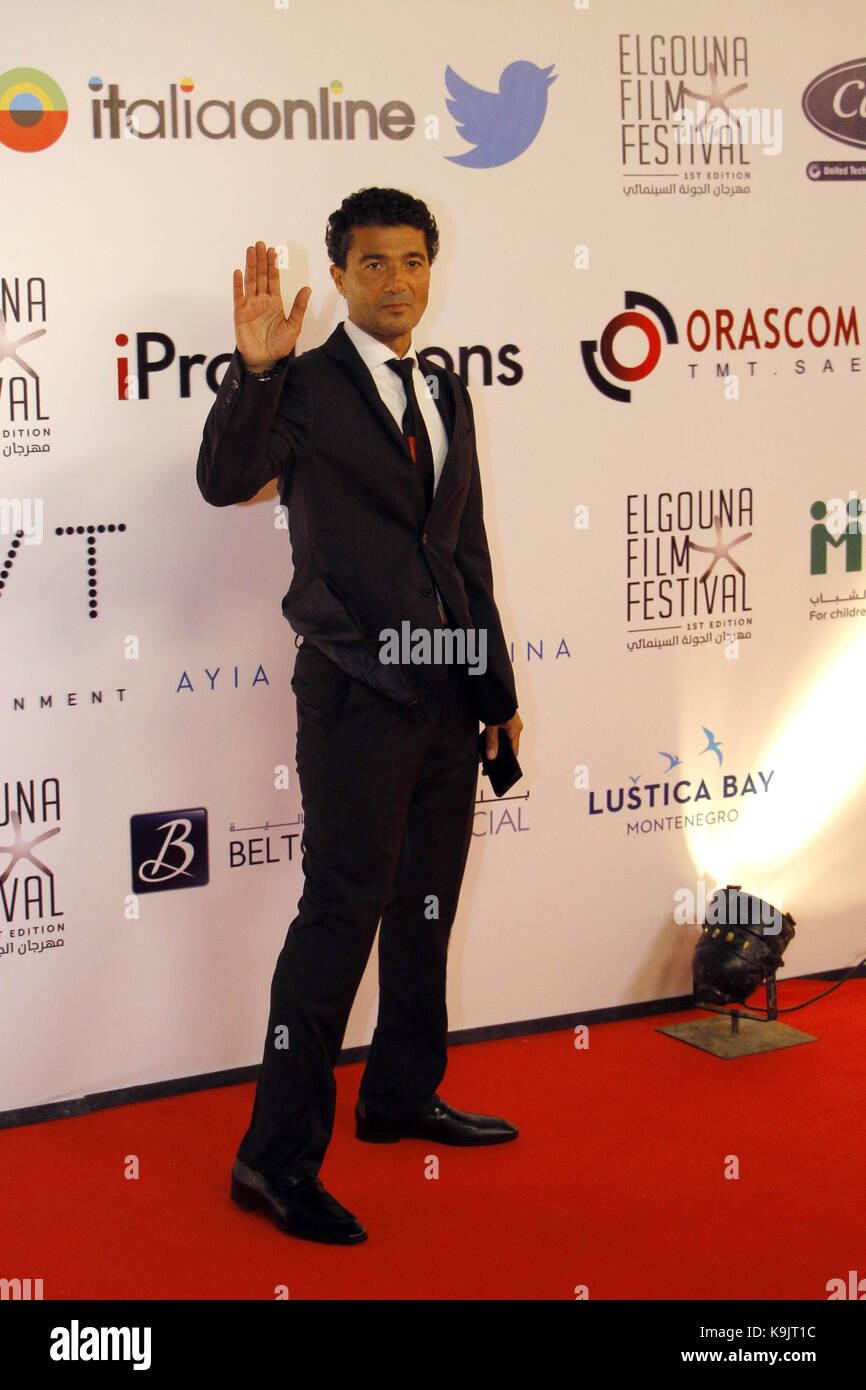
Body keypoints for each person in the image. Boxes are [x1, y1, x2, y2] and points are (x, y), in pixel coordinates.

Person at [196, 187, 523, 1245]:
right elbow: (223, 478)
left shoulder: (442, 386)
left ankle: (399, 1092)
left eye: (414, 262)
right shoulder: (302, 386)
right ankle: (272, 1159)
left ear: (433, 267)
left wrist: (494, 695)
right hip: (351, 689)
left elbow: (460, 552)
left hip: (439, 684)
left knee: (424, 905)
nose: (398, 282)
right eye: (374, 265)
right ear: (337, 275)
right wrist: (253, 372)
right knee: (338, 919)